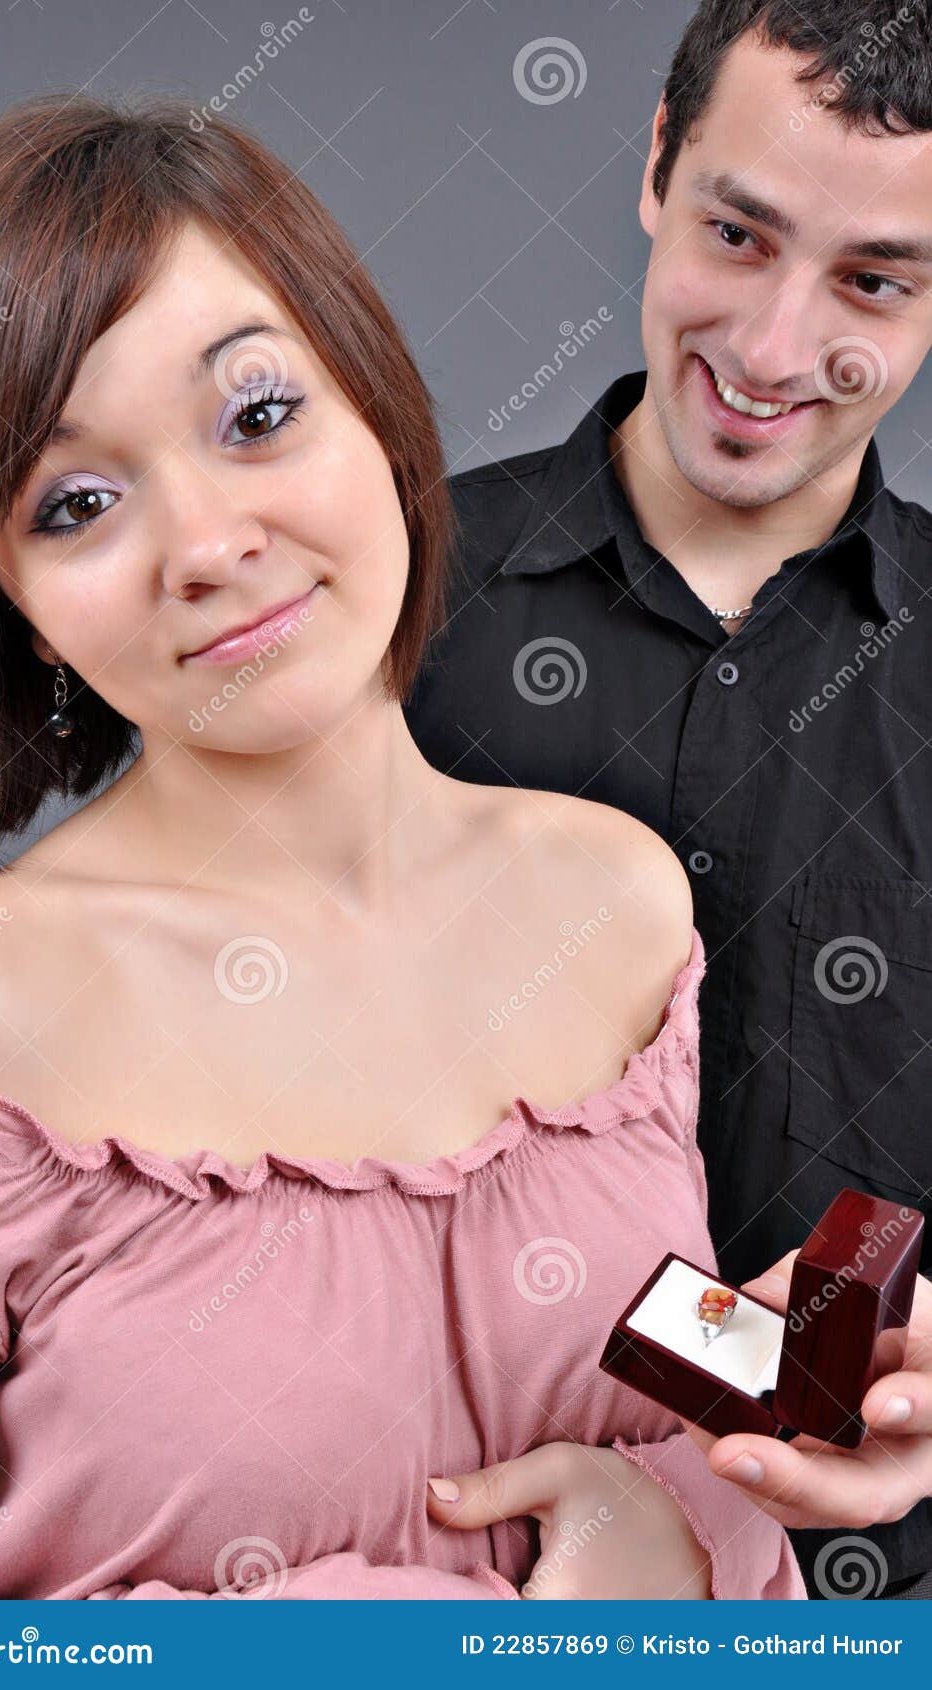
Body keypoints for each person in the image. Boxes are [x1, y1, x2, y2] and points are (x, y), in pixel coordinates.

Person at [0, 93, 804, 1600]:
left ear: (371, 399)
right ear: (15, 608)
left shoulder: (613, 897)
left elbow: (606, 1361)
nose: (208, 545)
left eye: (256, 417)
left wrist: (800, 1383)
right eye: (79, 503)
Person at [403, 0, 932, 1599]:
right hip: (446, 1581)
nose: (769, 352)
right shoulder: (383, 607)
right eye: (736, 233)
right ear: (654, 162)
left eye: (875, 281)